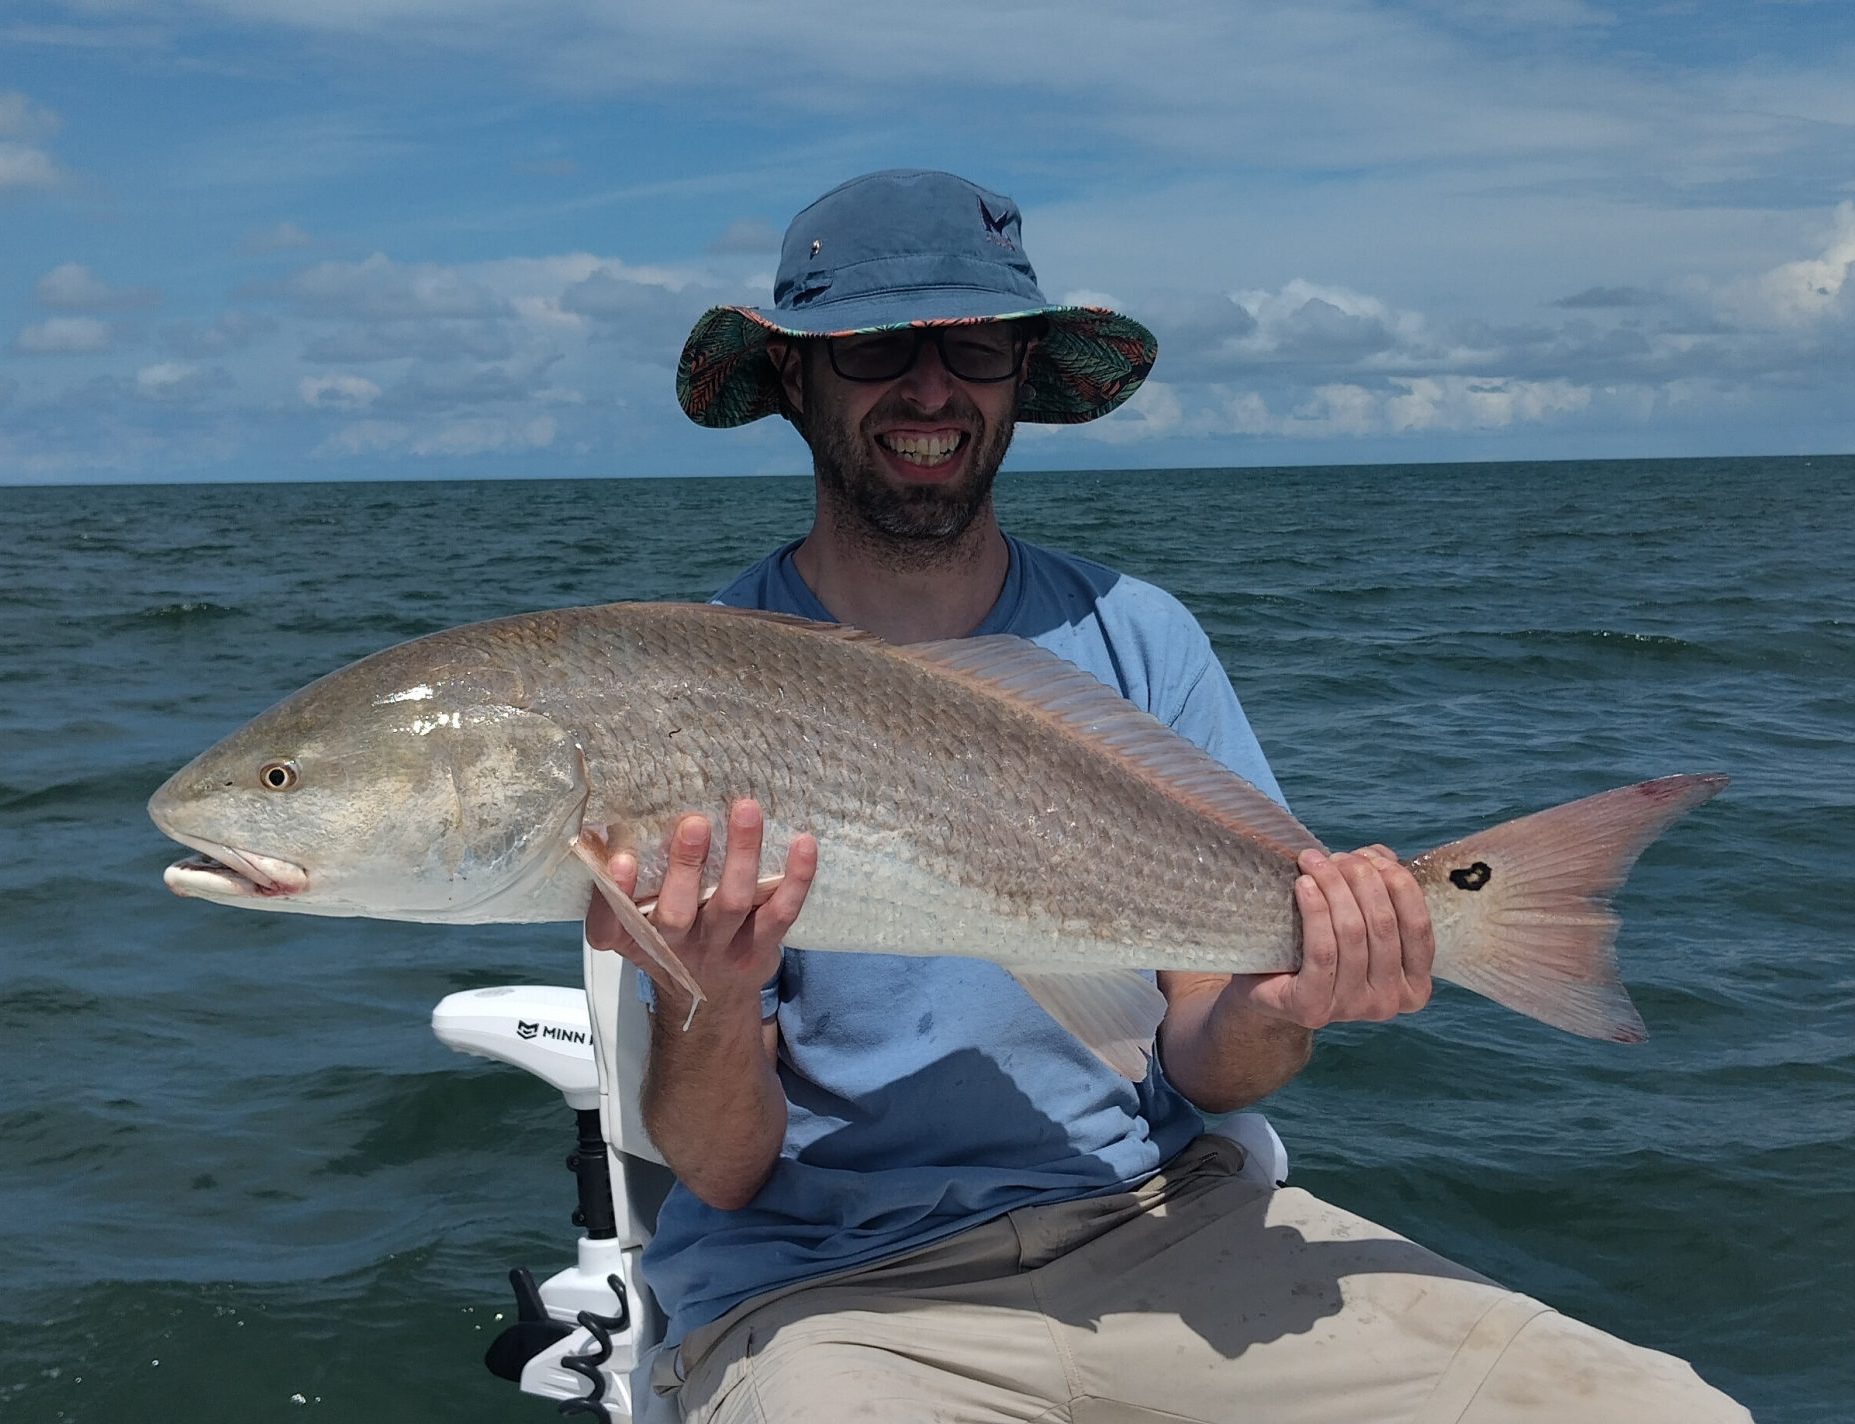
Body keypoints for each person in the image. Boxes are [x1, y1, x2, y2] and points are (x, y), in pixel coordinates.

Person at [586, 169, 1750, 1424]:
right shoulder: (693, 680)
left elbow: (1213, 1060)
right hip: (835, 1296)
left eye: (970, 344)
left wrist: (1294, 997)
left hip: (1160, 1223)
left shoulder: (1139, 634)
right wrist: (702, 986)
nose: (927, 388)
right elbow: (720, 1165)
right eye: (875, 350)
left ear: (1020, 372)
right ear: (797, 380)